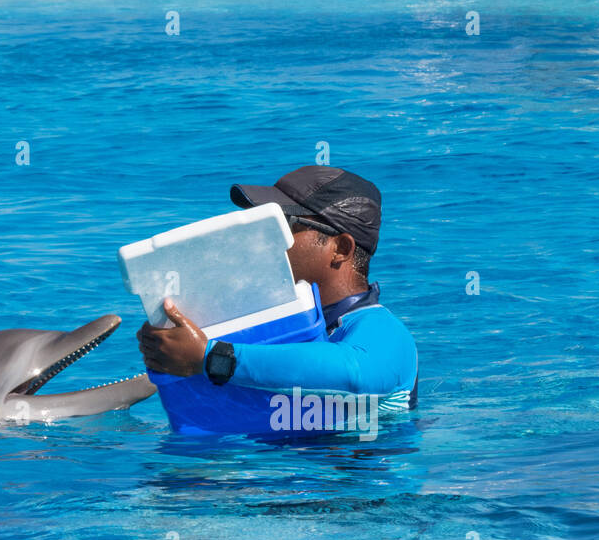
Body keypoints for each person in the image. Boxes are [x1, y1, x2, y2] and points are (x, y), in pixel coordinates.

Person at [136, 166, 418, 410]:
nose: (258, 241)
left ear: (341, 248)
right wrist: (173, 350)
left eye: (280, 226)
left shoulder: (384, 330)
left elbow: (355, 373)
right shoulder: (275, 326)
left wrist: (211, 358)